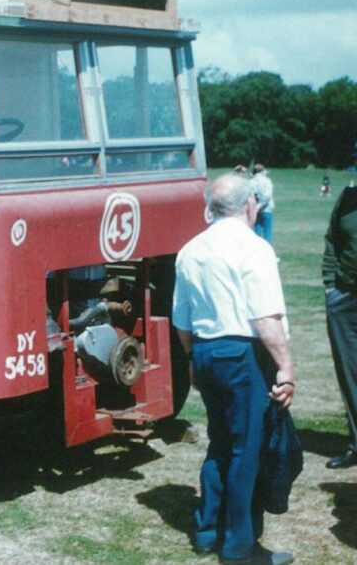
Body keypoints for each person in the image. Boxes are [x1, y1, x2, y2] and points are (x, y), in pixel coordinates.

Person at [172, 173, 295, 565]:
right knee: (248, 450)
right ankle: (240, 546)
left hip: (206, 351)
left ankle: (208, 530)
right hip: (242, 354)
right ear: (250, 206)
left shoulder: (190, 249)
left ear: (211, 207)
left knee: (220, 442)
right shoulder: (254, 248)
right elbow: (266, 319)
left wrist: (193, 359)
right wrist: (286, 367)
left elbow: (181, 321)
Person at [323, 184, 357, 469]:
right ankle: (356, 444)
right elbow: (332, 240)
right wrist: (330, 286)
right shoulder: (347, 198)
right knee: (351, 374)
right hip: (344, 297)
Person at [251, 164, 275, 242]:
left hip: (255, 209)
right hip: (267, 208)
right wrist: (260, 205)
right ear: (262, 171)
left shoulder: (251, 182)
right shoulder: (267, 181)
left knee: (257, 231)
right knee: (267, 232)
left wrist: (256, 206)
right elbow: (267, 195)